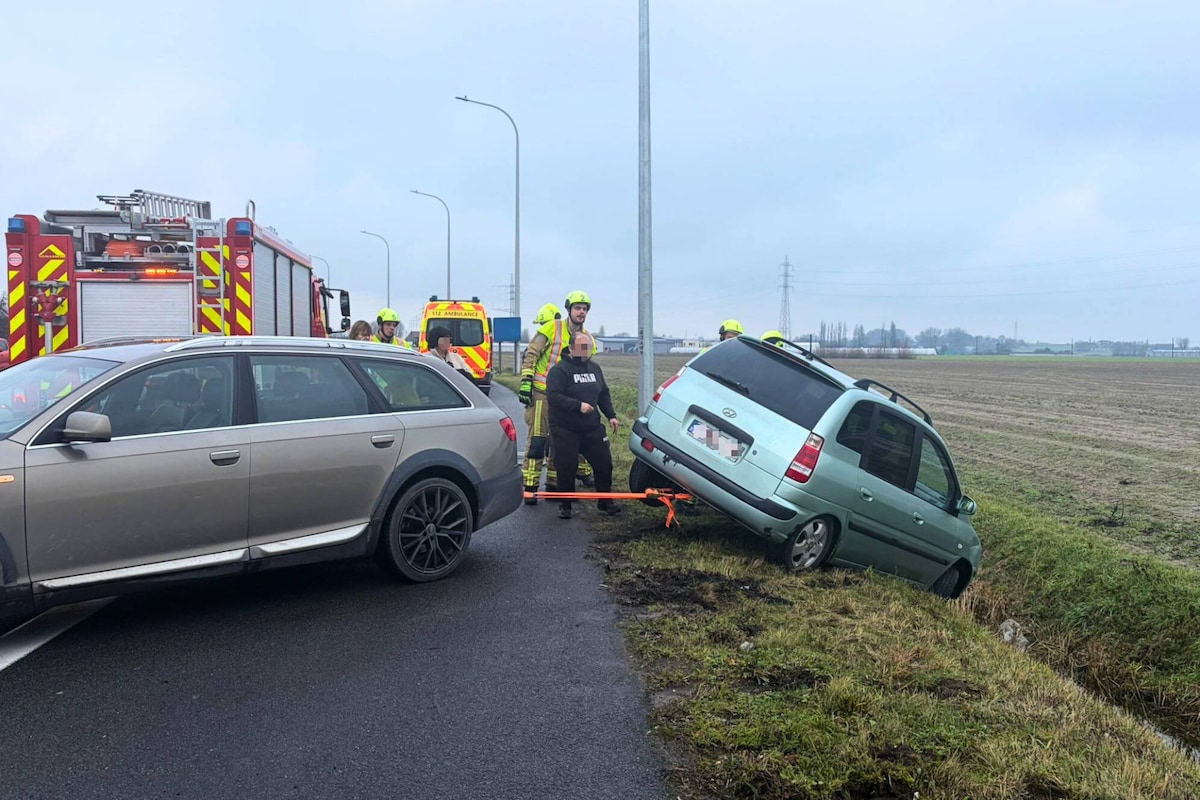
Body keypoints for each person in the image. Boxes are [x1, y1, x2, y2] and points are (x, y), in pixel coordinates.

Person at [518, 293, 598, 502]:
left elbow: (588, 368)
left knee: (561, 442)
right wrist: (526, 382)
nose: (581, 312)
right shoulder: (551, 328)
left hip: (566, 400)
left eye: (584, 309)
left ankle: (554, 486)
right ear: (569, 309)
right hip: (542, 393)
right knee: (538, 439)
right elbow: (531, 354)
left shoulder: (587, 338)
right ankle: (530, 487)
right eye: (577, 308)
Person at [546, 332, 621, 520]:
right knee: (566, 468)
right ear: (571, 348)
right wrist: (577, 406)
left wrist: (611, 416)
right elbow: (553, 396)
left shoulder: (595, 369)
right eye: (581, 347)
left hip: (592, 427)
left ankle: (605, 502)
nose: (585, 351)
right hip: (565, 428)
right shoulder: (559, 371)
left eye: (587, 347)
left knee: (604, 464)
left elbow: (603, 394)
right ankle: (566, 505)